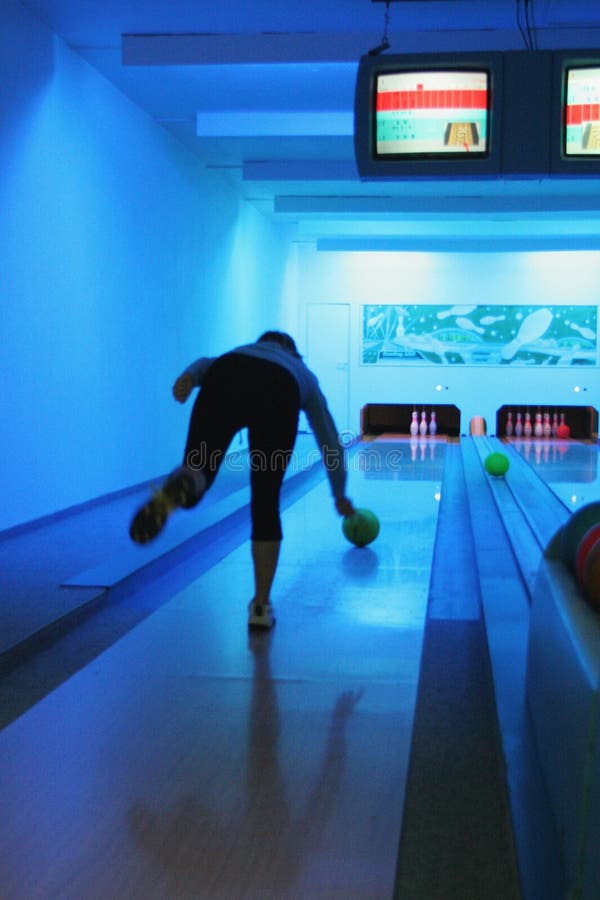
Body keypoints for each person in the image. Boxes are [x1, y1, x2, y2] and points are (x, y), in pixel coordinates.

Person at [129, 331, 355, 629]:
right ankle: (260, 607)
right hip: (280, 387)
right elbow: (329, 441)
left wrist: (189, 377)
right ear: (293, 351)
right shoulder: (301, 371)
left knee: (198, 467)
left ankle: (183, 484)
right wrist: (339, 493)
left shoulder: (244, 350)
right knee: (265, 501)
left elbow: (206, 364)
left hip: (226, 373)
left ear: (263, 343)